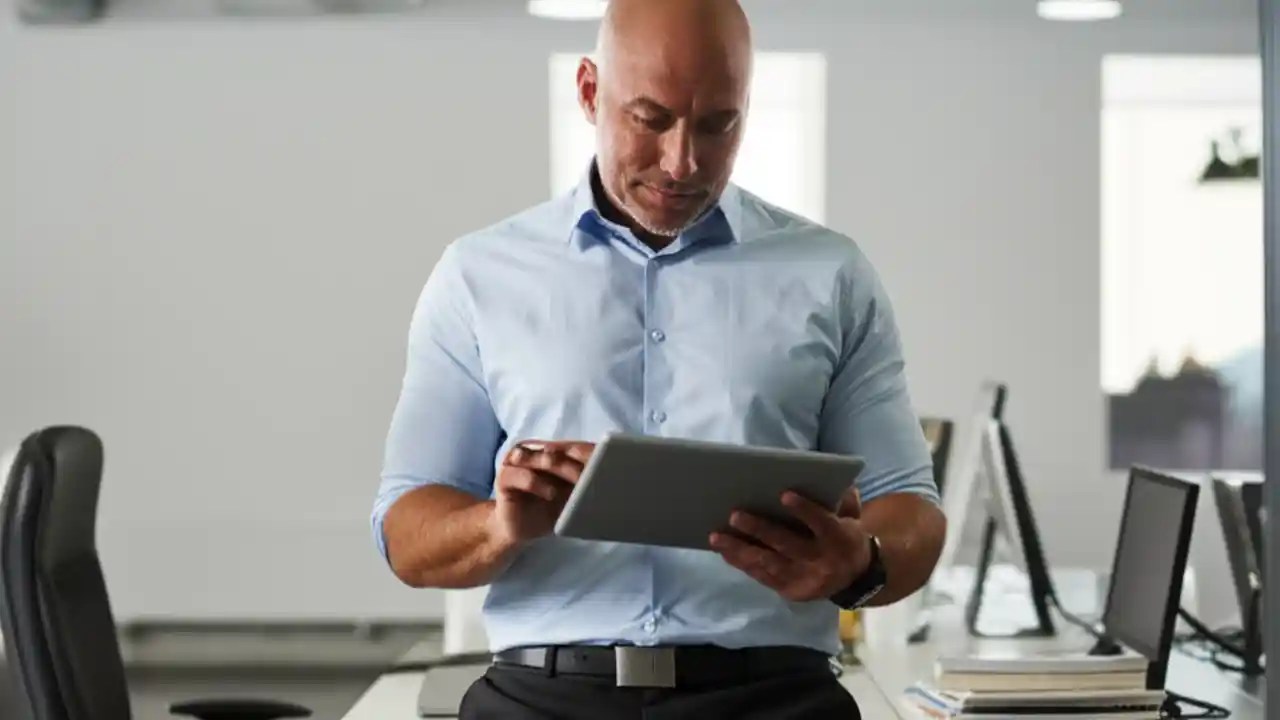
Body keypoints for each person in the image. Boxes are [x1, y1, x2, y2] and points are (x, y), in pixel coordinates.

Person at [372, 0, 946, 717]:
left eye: (718, 125)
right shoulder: (477, 277)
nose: (683, 162)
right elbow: (406, 532)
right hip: (543, 699)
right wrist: (498, 525)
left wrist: (860, 561)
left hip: (775, 699)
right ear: (590, 92)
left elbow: (912, 513)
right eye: (650, 119)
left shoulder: (832, 275)